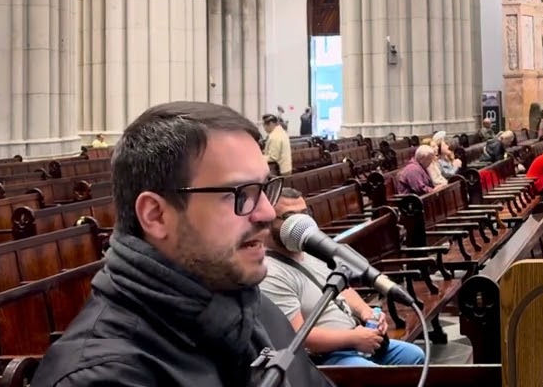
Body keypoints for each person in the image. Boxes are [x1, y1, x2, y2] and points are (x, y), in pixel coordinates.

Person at [33, 101, 330, 387]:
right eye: (239, 193)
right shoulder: (103, 376)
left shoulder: (254, 309)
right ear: (156, 215)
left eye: (265, 188)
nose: (266, 212)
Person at [260, 190, 425, 367]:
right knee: (371, 373)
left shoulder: (311, 250)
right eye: (289, 216)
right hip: (325, 356)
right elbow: (298, 335)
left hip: (356, 338)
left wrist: (367, 313)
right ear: (268, 221)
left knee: (414, 355)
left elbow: (343, 287)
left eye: (304, 214)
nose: (301, 222)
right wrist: (354, 339)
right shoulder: (271, 273)